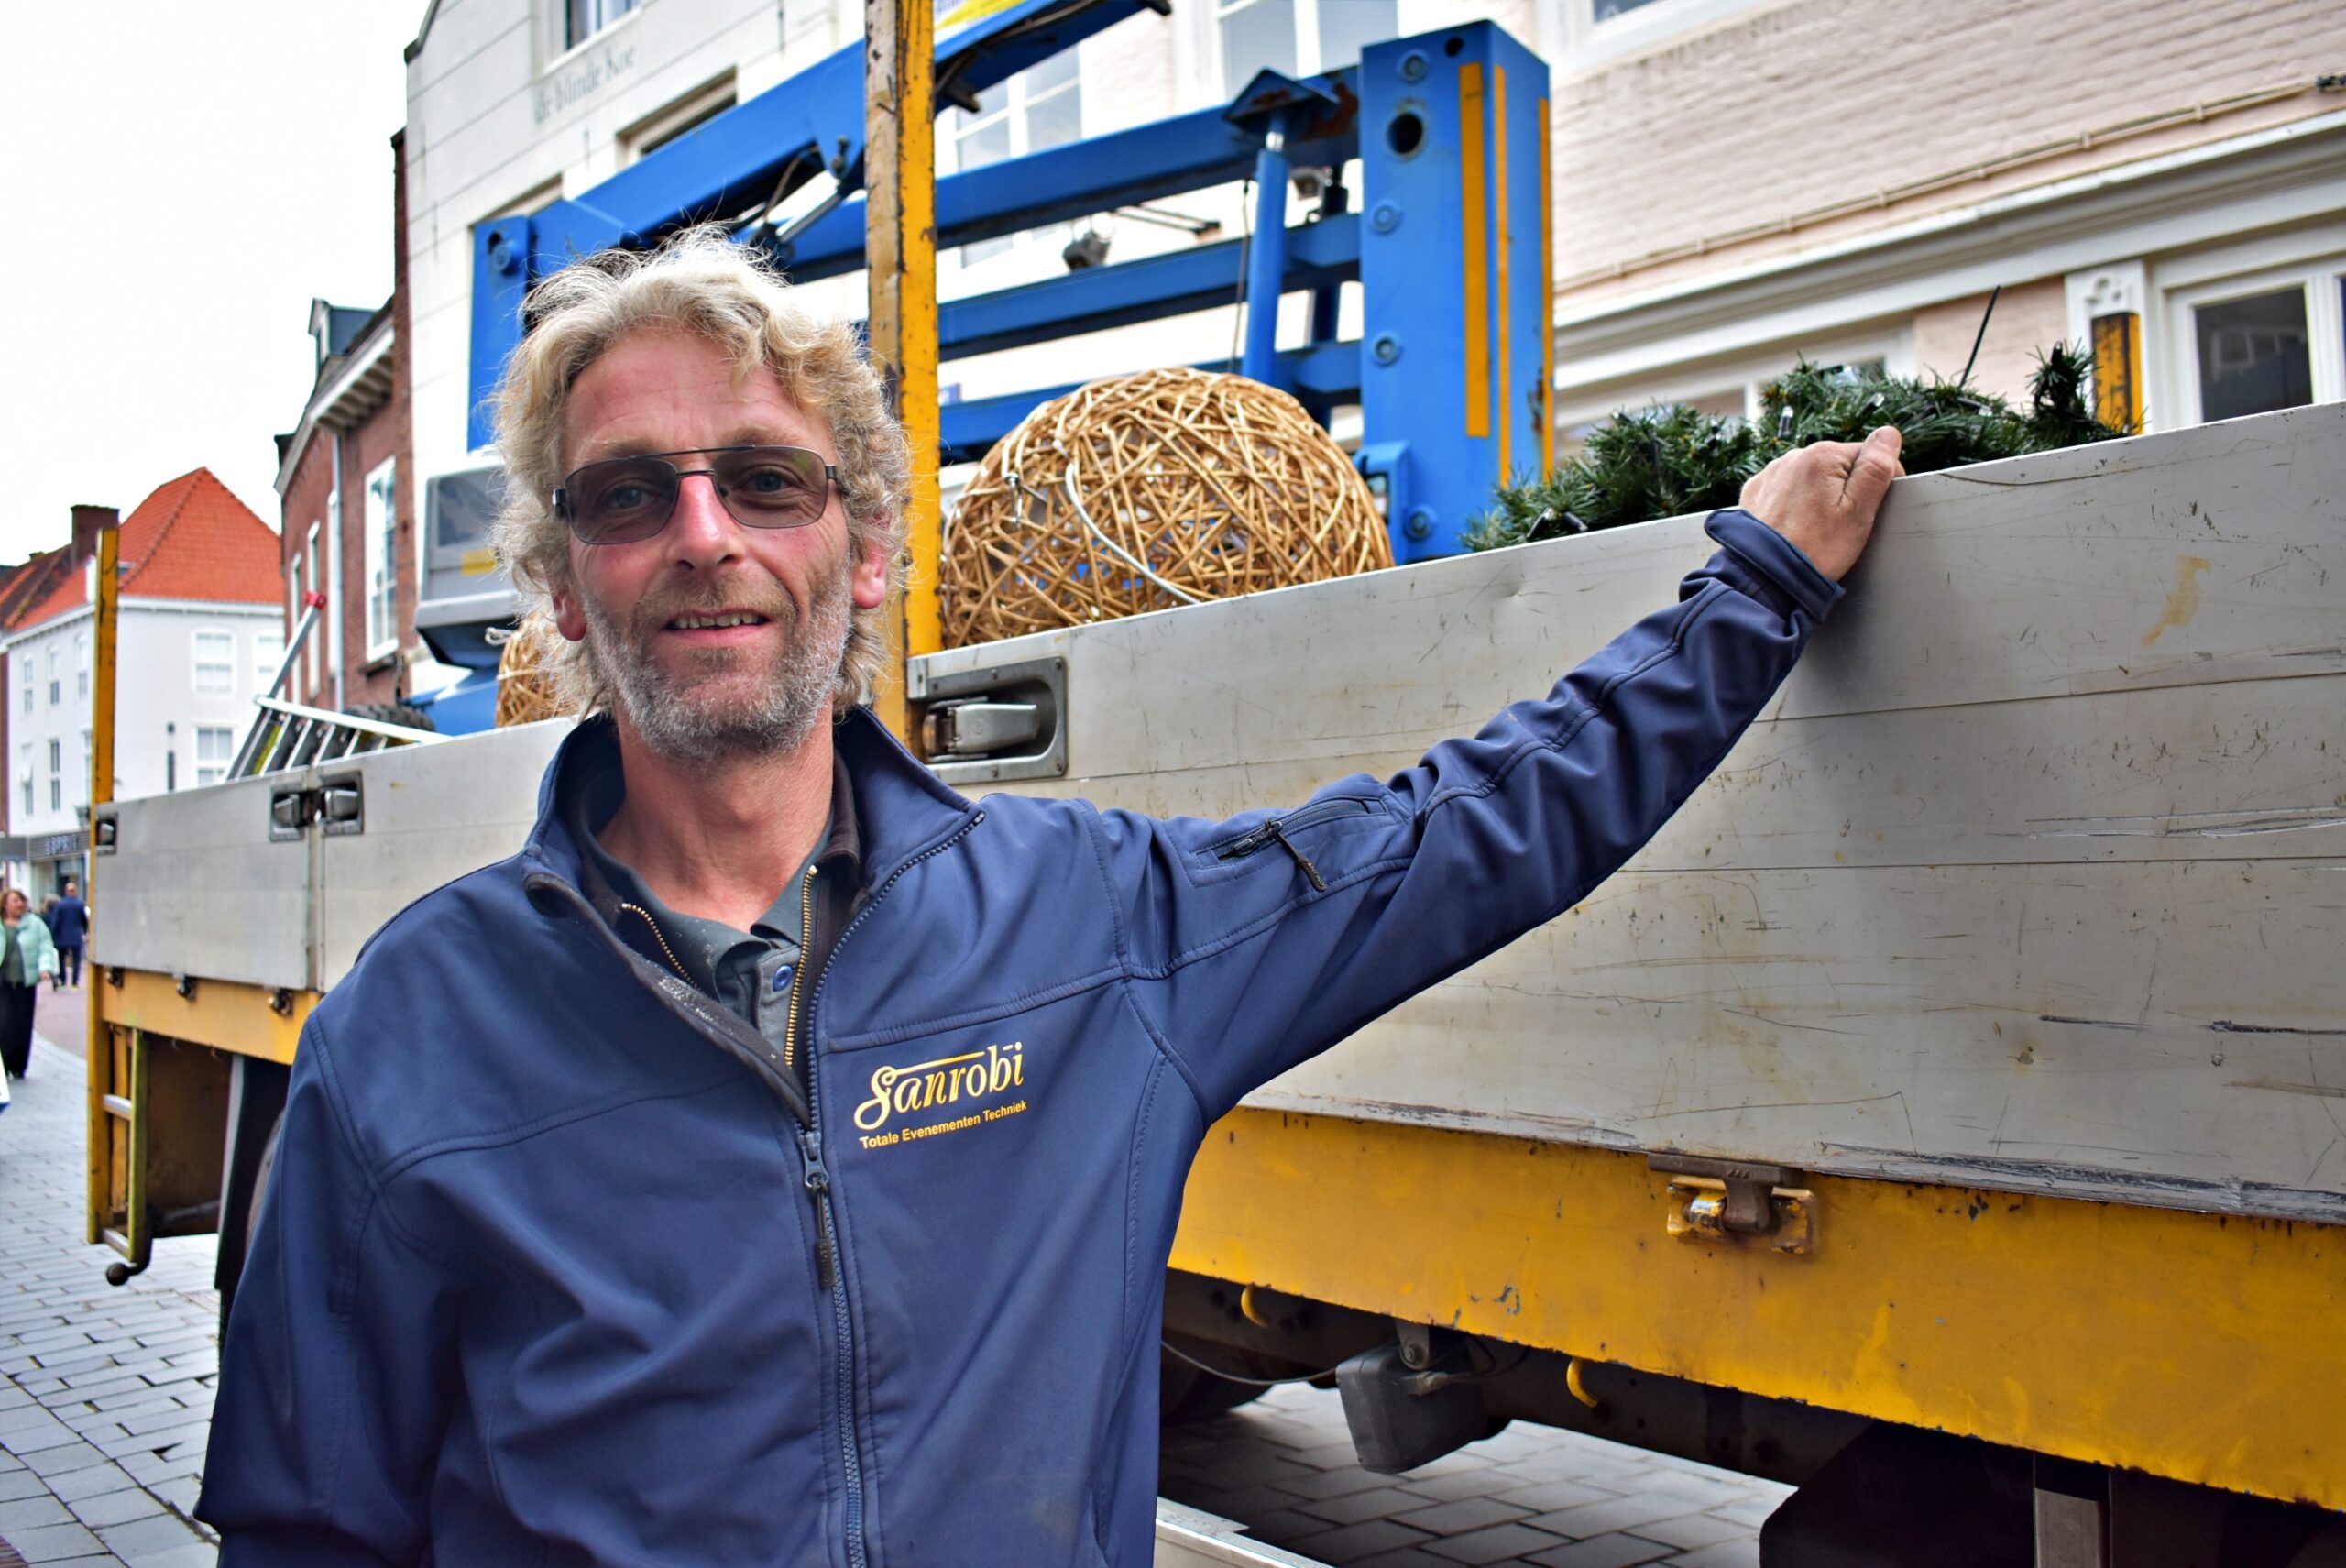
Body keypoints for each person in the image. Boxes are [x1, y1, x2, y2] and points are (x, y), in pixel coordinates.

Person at [199, 229, 1902, 1566]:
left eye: (764, 479)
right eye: (629, 494)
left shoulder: (1096, 931)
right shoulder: (409, 1036)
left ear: (862, 554)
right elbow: (310, 1533)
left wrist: (1747, 596)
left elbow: (1470, 830)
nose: (702, 531)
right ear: (562, 589)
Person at [0, 888, 58, 1079]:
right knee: (5, 1023)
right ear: (5, 904)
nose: (20, 904)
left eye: (22, 900)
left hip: (25, 983)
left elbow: (45, 946)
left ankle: (19, 1066)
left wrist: (45, 968)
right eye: (15, 900)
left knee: (23, 1025)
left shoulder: (35, 924)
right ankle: (5, 1064)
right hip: (3, 984)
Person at [48, 876, 86, 991]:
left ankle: (63, 981)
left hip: (62, 937)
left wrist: (52, 935)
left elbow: (56, 921)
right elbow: (84, 920)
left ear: (66, 892)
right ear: (75, 891)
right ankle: (75, 983)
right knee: (76, 960)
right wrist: (85, 930)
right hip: (75, 936)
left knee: (61, 960)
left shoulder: (61, 904)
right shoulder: (80, 904)